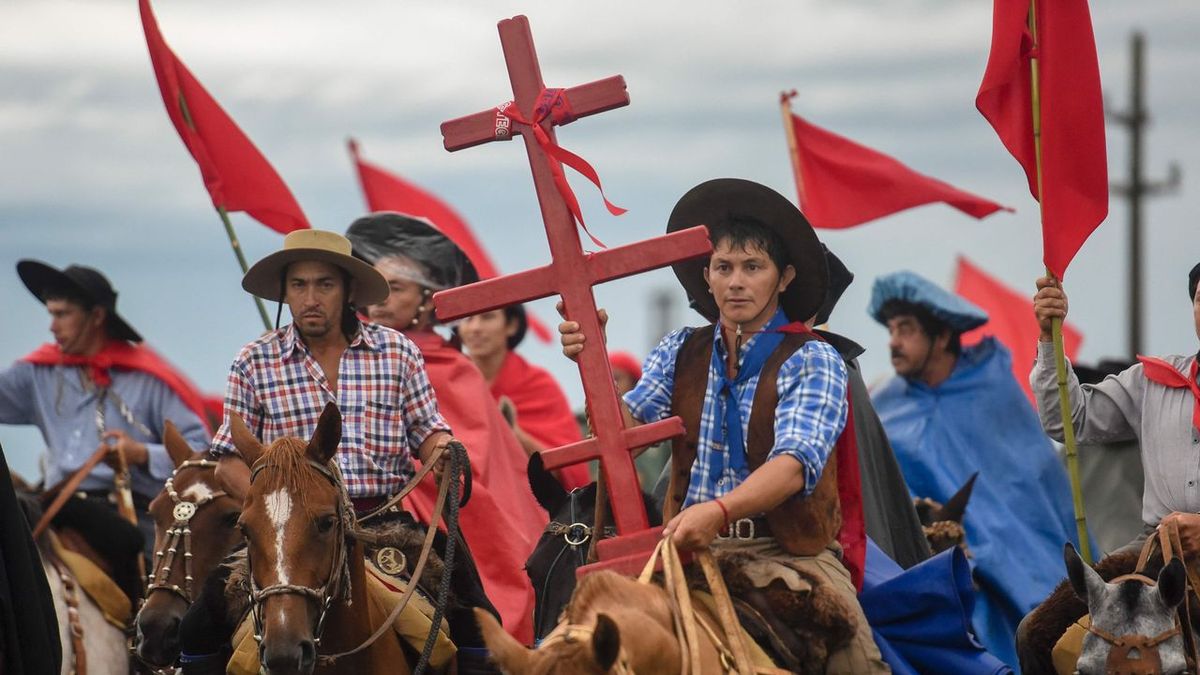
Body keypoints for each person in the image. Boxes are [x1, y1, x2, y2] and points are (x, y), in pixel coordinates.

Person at [562, 179, 889, 674]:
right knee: (578, 645)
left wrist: (717, 511)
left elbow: (793, 464)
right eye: (724, 267)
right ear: (707, 277)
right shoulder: (679, 350)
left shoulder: (814, 359)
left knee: (856, 663)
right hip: (685, 551)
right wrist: (593, 359)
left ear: (784, 278)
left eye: (753, 267)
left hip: (790, 557)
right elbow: (625, 427)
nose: (736, 281)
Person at [182, 228, 475, 674]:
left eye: (324, 284)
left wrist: (446, 451)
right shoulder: (253, 361)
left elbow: (428, 430)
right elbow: (227, 461)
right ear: (284, 292)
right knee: (197, 628)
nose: (310, 298)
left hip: (383, 522)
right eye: (298, 285)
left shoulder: (397, 352)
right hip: (290, 532)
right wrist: (273, 516)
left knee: (473, 611)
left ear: (349, 290)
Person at [345, 212, 550, 644]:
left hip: (421, 501)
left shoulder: (452, 367)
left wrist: (395, 470)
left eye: (395, 288)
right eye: (376, 287)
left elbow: (466, 460)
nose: (380, 300)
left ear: (427, 297)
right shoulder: (351, 356)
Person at [868, 270, 1086, 669]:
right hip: (915, 570)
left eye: (906, 329)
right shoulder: (883, 402)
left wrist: (985, 555)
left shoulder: (994, 394)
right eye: (892, 329)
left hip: (1018, 569)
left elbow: (1030, 496)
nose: (893, 342)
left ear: (942, 336)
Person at [1015, 267, 1200, 671]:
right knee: (1035, 633)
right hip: (1151, 548)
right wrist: (1049, 337)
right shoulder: (1154, 382)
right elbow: (1068, 420)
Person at [0, 260, 211, 563]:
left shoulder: (148, 380)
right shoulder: (38, 373)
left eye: (62, 314)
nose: (52, 326)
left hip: (125, 512)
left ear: (96, 316)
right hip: (53, 505)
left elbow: (199, 453)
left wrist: (140, 453)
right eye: (51, 314)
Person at [459, 304, 591, 489]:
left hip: (530, 503)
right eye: (467, 319)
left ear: (511, 325)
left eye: (487, 317)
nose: (475, 328)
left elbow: (569, 470)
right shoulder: (448, 383)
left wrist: (514, 434)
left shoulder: (539, 385)